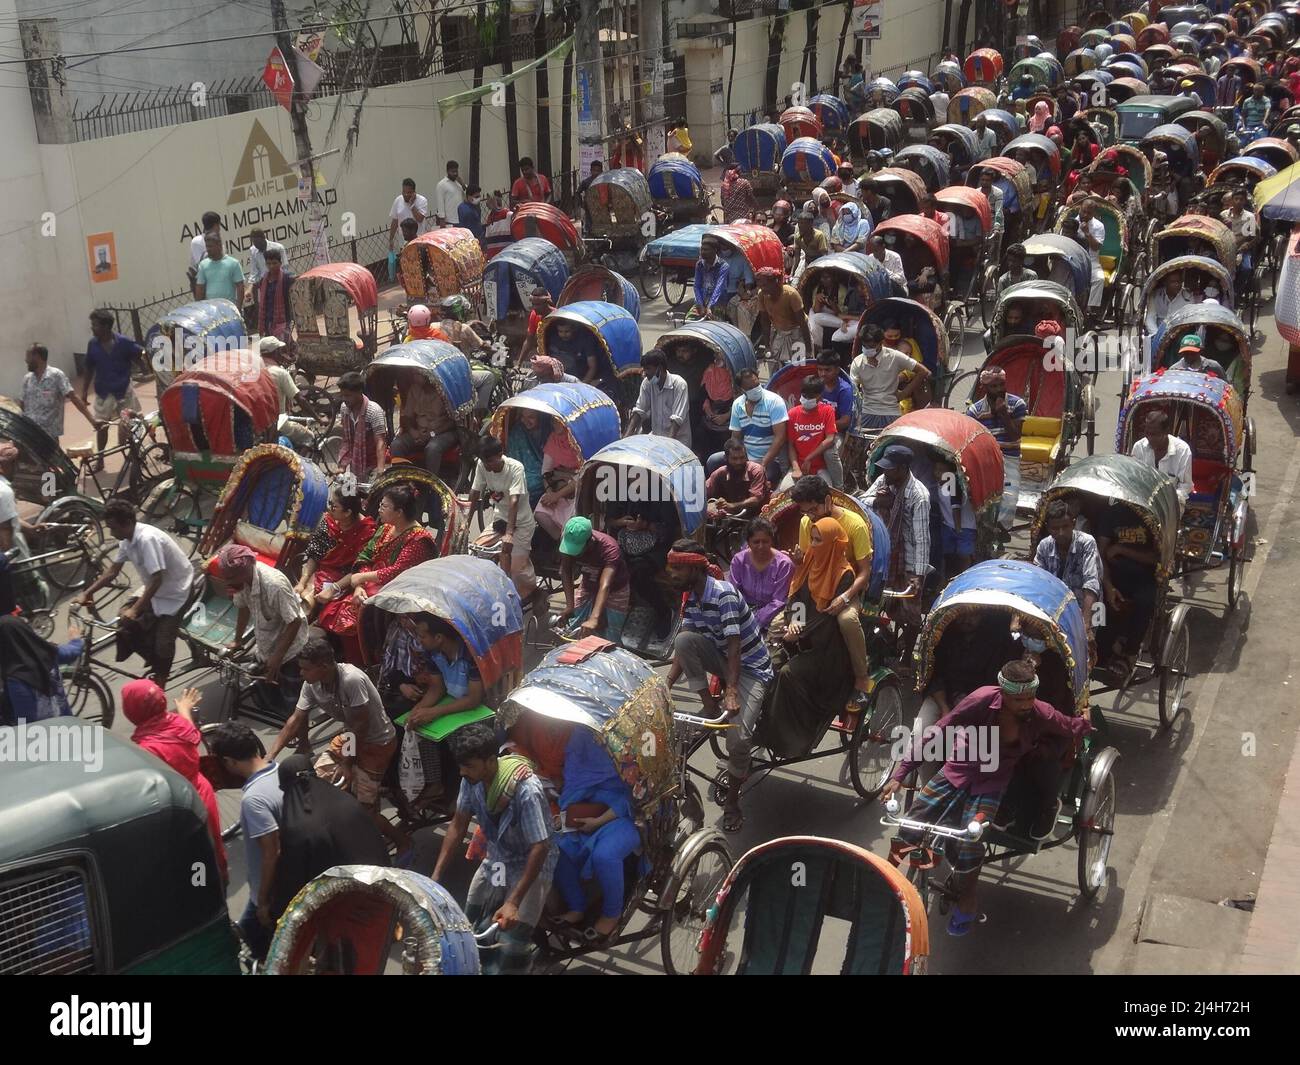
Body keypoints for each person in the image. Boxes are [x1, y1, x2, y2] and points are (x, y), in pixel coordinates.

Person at [882, 658, 1091, 935]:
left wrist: (1085, 720)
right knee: (910, 824)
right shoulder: (980, 699)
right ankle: (883, 882)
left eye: (1030, 697)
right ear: (1003, 694)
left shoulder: (1042, 713)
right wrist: (900, 773)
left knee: (972, 839)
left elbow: (1068, 726)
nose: (1027, 704)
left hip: (991, 784)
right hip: (957, 769)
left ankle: (968, 899)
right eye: (1019, 699)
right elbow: (941, 729)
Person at [432, 722, 556, 974]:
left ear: (490, 761)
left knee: (511, 943)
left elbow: (540, 848)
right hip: (498, 857)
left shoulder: (526, 790)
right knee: (471, 925)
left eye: (469, 766)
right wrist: (436, 876)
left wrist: (513, 902)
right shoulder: (471, 780)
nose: (462, 771)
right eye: (461, 765)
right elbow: (457, 825)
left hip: (530, 864)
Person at [666, 542, 773, 832]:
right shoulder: (693, 597)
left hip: (750, 667)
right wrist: (664, 685)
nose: (671, 573)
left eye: (677, 568)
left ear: (693, 568)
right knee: (683, 640)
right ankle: (708, 704)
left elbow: (735, 646)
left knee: (738, 741)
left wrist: (731, 690)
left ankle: (732, 802)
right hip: (722, 657)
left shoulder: (722, 595)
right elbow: (685, 641)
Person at [268, 637, 408, 852]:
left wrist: (347, 763)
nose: (301, 674)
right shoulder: (311, 684)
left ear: (324, 666)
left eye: (306, 669)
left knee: (365, 813)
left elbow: (361, 726)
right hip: (349, 737)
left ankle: (402, 842)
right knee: (313, 785)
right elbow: (295, 719)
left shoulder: (352, 680)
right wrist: (269, 756)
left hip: (376, 744)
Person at [764, 516, 860, 758]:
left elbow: (827, 616)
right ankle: (766, 727)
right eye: (813, 539)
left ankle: (793, 738)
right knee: (768, 666)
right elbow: (795, 597)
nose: (813, 544)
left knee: (788, 673)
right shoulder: (809, 565)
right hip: (801, 638)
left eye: (818, 540)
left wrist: (800, 633)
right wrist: (795, 621)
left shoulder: (843, 575)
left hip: (826, 649)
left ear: (832, 542)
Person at [77, 498, 192, 686]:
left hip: (176, 590)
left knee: (163, 642)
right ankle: (155, 660)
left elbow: (157, 579)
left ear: (128, 523)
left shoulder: (147, 540)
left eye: (114, 528)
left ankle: (161, 681)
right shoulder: (127, 539)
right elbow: (112, 571)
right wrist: (88, 592)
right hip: (154, 588)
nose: (112, 533)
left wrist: (136, 609)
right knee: (125, 625)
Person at [122, 680, 228, 884]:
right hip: (203, 795)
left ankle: (207, 896)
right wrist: (184, 708)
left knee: (195, 863)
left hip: (182, 809)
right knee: (214, 852)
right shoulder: (178, 724)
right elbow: (188, 727)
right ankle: (219, 886)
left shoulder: (146, 749)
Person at [317, 485, 439, 660]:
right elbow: (366, 556)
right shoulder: (386, 529)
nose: (379, 510)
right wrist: (359, 585)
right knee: (335, 609)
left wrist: (362, 578)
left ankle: (363, 662)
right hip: (369, 585)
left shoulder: (419, 540)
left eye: (384, 506)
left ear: (399, 512)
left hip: (398, 592)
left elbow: (398, 572)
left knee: (352, 617)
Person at [270, 753, 390, 921]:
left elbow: (292, 880)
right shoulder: (346, 799)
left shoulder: (297, 826)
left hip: (347, 909)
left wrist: (274, 911)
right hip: (384, 888)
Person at [551, 725, 643, 943]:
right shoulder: (580, 737)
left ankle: (612, 914)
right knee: (554, 847)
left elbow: (636, 793)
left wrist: (599, 821)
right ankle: (577, 906)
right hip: (587, 809)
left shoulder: (628, 738)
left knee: (605, 855)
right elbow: (574, 784)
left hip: (628, 815)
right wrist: (566, 816)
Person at [790, 473, 875, 694]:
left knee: (846, 619)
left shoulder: (854, 524)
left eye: (814, 510)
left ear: (828, 500)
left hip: (847, 588)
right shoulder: (806, 523)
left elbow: (865, 573)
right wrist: (799, 561)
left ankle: (861, 677)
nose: (810, 516)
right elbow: (809, 565)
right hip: (815, 589)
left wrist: (845, 598)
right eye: (805, 511)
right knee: (782, 622)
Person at [209, 721, 283, 961]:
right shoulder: (281, 770)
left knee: (256, 945)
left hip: (267, 894)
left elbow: (272, 852)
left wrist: (262, 902)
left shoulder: (253, 799)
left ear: (229, 762)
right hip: (286, 883)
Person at [216, 543, 309, 707]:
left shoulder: (274, 584)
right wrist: (238, 640)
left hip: (291, 648)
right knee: (267, 695)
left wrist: (277, 658)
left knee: (294, 706)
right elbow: (243, 607)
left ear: (244, 572)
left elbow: (295, 621)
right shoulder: (241, 582)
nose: (227, 582)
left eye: (230, 578)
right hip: (266, 640)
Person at [862, 445, 930, 633]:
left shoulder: (919, 495)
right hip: (883, 551)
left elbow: (922, 538)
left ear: (902, 468)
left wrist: (918, 574)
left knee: (910, 610)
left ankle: (907, 655)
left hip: (907, 557)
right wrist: (878, 501)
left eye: (889, 468)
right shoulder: (883, 480)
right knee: (873, 603)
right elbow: (862, 500)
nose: (884, 471)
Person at [1095, 500, 1160, 677]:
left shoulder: (1151, 516)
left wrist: (1121, 549)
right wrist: (1108, 586)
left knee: (1144, 602)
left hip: (1144, 576)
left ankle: (1130, 653)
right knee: (1096, 600)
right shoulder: (1111, 513)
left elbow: (1156, 557)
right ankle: (1097, 646)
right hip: (1113, 574)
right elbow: (1101, 554)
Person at [469, 437, 537, 599]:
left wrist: (509, 534)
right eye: (485, 462)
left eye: (490, 461)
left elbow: (514, 501)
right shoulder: (482, 464)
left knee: (516, 571)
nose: (487, 466)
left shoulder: (515, 468)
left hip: (521, 524)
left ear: (500, 454)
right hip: (499, 520)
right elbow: (475, 493)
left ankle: (532, 593)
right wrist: (465, 522)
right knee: (474, 553)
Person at [295, 487, 377, 613]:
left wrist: (334, 588)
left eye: (334, 506)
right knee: (305, 600)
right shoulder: (328, 522)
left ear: (347, 512)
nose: (329, 508)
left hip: (347, 581)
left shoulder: (367, 531)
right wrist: (302, 582)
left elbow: (359, 568)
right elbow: (315, 554)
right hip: (320, 573)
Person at [1033, 499, 1102, 636]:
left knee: (1090, 646)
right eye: (1055, 528)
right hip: (1057, 606)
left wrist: (1085, 622)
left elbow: (1092, 583)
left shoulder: (1087, 543)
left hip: (1091, 606)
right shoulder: (1044, 546)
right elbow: (1037, 582)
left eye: (1065, 527)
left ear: (1074, 523)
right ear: (1048, 528)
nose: (1061, 533)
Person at [556, 516, 631, 640]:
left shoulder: (610, 548)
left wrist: (594, 618)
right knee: (575, 629)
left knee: (610, 637)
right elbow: (565, 570)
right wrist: (569, 606)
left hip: (615, 588)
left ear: (590, 542)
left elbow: (605, 585)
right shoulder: (567, 538)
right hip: (588, 585)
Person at [83, 308, 144, 461]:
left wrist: (145, 367)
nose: (92, 328)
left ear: (105, 327)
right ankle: (101, 458)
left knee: (129, 424)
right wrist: (84, 391)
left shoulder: (124, 342)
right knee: (102, 427)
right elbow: (89, 368)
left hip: (124, 390)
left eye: (95, 325)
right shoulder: (92, 345)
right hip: (104, 392)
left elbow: (139, 355)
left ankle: (135, 455)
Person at [850, 323, 931, 434]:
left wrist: (904, 393)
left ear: (880, 344)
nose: (868, 350)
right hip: (867, 412)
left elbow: (923, 371)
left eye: (871, 346)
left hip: (891, 412)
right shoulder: (857, 362)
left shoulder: (894, 356)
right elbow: (853, 390)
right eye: (865, 346)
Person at [0, 615, 83, 725]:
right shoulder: (46, 653)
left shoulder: (16, 680)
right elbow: (70, 653)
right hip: (67, 724)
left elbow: (24, 723)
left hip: (45, 737)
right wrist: (76, 640)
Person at [722, 367, 788, 487]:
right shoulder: (738, 404)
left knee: (760, 479)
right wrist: (735, 460)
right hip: (744, 458)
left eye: (757, 385)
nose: (756, 389)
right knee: (714, 461)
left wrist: (762, 464)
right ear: (742, 389)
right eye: (750, 388)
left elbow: (780, 438)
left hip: (770, 460)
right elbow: (735, 438)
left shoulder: (774, 401)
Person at [390, 367, 460, 477]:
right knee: (396, 445)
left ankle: (431, 484)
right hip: (419, 430)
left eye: (418, 375)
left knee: (432, 448)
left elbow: (453, 421)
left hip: (442, 432)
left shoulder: (445, 390)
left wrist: (431, 434)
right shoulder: (414, 389)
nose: (414, 377)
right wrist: (413, 431)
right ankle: (401, 479)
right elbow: (407, 416)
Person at [22, 343, 98, 442]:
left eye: (28, 356)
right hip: (30, 432)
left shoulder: (56, 376)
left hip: (49, 434)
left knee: (51, 457)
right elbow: (21, 404)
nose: (26, 360)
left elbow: (74, 398)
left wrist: (92, 420)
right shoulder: (27, 379)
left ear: (37, 357)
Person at [728, 516, 793, 631]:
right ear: (748, 542)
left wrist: (755, 620)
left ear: (772, 541)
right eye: (756, 542)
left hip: (773, 611)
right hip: (745, 609)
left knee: (778, 626)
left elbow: (779, 600)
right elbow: (734, 593)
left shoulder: (784, 564)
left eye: (765, 541)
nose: (761, 546)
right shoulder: (739, 560)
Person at [1130, 409, 1193, 510]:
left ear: (1166, 431)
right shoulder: (1139, 447)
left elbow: (1186, 485)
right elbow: (1133, 479)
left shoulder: (1183, 450)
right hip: (1143, 501)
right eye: (1147, 433)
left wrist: (1171, 500)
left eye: (1154, 434)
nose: (1150, 438)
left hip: (1171, 505)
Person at [627, 349, 691, 445]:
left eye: (648, 369)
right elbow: (639, 411)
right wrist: (626, 438)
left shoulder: (679, 384)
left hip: (678, 442)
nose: (645, 373)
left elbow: (677, 420)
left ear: (659, 368)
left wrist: (667, 447)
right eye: (644, 369)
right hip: (656, 439)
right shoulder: (647, 383)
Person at [336, 371, 388, 484]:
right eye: (342, 395)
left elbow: (380, 442)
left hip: (373, 464)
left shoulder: (374, 411)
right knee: (347, 496)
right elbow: (346, 439)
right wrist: (342, 465)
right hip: (355, 463)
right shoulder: (344, 408)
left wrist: (380, 470)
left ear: (359, 392)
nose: (344, 398)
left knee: (371, 497)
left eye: (348, 395)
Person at [755, 266, 811, 365]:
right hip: (779, 332)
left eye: (765, 285)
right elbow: (765, 321)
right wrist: (767, 345)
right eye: (760, 286)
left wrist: (808, 350)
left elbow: (802, 323)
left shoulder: (791, 294)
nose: (762, 289)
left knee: (799, 366)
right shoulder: (762, 295)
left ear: (774, 282)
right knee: (776, 365)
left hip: (797, 332)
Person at [706, 438, 770, 522]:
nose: (739, 462)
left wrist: (732, 505)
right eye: (734, 459)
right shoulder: (720, 473)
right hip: (730, 518)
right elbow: (702, 492)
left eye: (742, 457)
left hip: (758, 517)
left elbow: (755, 500)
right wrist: (710, 505)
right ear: (726, 458)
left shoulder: (756, 470)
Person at [787, 376, 837, 480]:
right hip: (798, 468)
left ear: (819, 396)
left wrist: (809, 458)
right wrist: (796, 469)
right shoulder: (792, 413)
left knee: (827, 492)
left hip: (820, 468)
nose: (807, 399)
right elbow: (791, 445)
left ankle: (839, 487)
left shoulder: (828, 411)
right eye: (805, 396)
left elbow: (830, 439)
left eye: (811, 397)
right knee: (783, 491)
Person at [255, 246, 294, 343]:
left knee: (283, 346)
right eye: (269, 263)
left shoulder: (286, 279)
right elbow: (254, 287)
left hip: (283, 320)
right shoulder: (264, 280)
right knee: (270, 348)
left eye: (274, 263)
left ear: (280, 263)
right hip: (267, 320)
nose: (271, 266)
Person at [1075, 198, 1106, 320]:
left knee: (1099, 279)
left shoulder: (1099, 226)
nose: (1085, 215)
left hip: (1091, 261)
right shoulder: (1072, 222)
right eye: (1083, 211)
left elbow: (1096, 247)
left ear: (1094, 214)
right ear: (1080, 209)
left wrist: (1087, 233)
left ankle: (1090, 310)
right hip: (1075, 258)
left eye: (1089, 213)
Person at [245, 228, 285, 324]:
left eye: (258, 243)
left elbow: (284, 268)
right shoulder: (253, 250)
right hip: (263, 286)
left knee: (280, 315)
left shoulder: (278, 248)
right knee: (265, 316)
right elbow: (254, 272)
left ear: (264, 238)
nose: (256, 245)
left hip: (278, 283)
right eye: (254, 243)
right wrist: (249, 289)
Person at [194, 232, 246, 305]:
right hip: (211, 309)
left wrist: (238, 307)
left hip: (229, 308)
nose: (208, 249)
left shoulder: (233, 263)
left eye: (211, 246)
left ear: (219, 246)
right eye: (207, 246)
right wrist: (198, 307)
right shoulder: (203, 265)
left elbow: (240, 287)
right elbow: (200, 288)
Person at [517, 288, 556, 365]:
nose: (535, 307)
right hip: (542, 356)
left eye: (538, 304)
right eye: (533, 304)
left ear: (546, 303)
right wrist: (518, 364)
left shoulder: (556, 316)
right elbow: (529, 341)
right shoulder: (534, 315)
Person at [388, 178, 428, 250]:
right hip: (403, 244)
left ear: (414, 192)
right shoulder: (398, 200)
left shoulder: (422, 201)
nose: (405, 195)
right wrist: (391, 239)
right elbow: (395, 221)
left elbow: (420, 219)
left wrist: (412, 205)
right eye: (404, 192)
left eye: (409, 192)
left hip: (418, 243)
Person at [187, 210, 222, 289]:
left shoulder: (218, 242)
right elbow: (201, 265)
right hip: (204, 285)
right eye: (219, 225)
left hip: (219, 282)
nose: (219, 228)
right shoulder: (197, 241)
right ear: (215, 225)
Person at [790, 209, 830, 275]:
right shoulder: (797, 237)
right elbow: (797, 257)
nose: (800, 226)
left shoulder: (819, 235)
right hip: (808, 262)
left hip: (819, 263)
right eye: (799, 223)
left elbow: (824, 256)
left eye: (803, 223)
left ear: (810, 224)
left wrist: (824, 271)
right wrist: (792, 273)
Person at [435, 160, 465, 227]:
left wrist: (463, 184)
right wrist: (442, 220)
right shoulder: (441, 184)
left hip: (461, 219)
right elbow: (440, 203)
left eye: (456, 171)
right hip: (449, 221)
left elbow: (467, 196)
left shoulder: (459, 184)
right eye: (453, 171)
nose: (455, 174)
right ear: (447, 171)